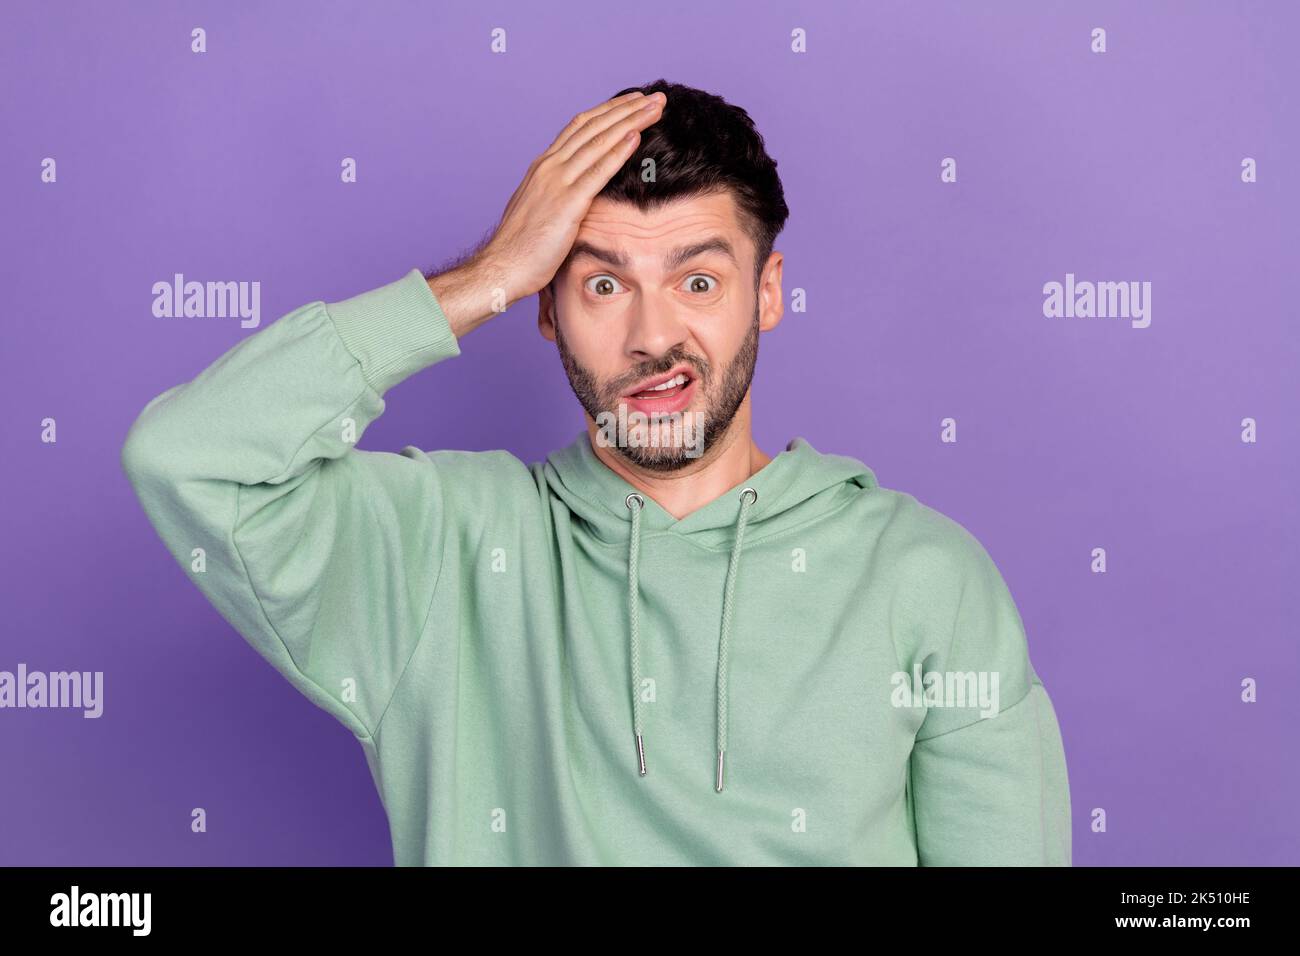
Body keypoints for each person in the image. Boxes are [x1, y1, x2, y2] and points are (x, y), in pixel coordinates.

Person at [121, 79, 1071, 865]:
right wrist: (484, 275)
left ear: (767, 295)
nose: (654, 336)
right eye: (602, 284)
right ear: (542, 307)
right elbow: (187, 456)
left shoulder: (925, 578)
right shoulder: (434, 552)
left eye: (698, 281)